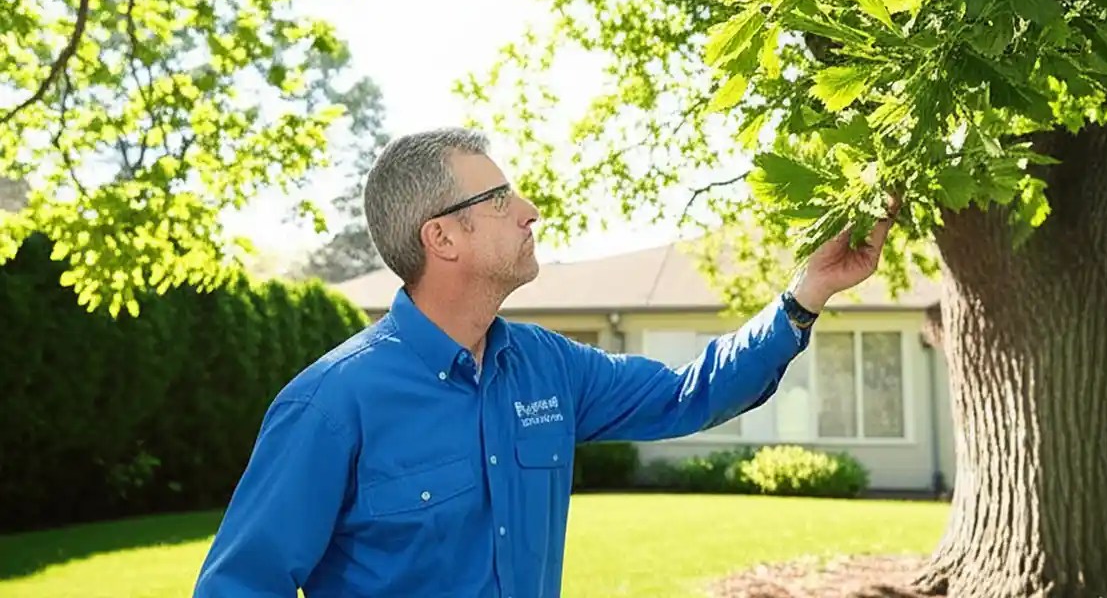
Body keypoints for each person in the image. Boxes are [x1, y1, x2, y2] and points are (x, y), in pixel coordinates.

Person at [192, 127, 896, 598]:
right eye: (499, 199)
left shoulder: (547, 370)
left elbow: (692, 391)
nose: (529, 209)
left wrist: (808, 293)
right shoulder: (329, 406)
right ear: (442, 237)